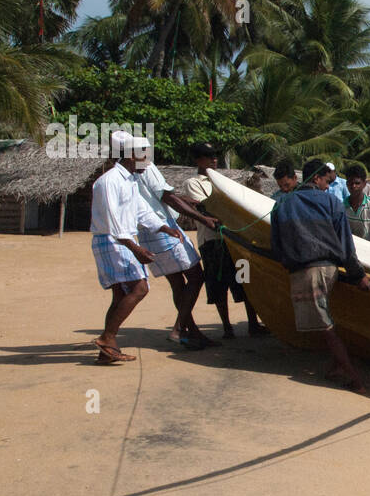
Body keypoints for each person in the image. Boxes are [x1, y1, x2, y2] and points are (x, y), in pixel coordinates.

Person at [270, 158, 370, 392]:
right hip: (330, 270)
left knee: (326, 328)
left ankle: (356, 380)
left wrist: (288, 263)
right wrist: (359, 275)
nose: (328, 186)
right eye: (326, 181)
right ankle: (336, 367)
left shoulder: (282, 204)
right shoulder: (332, 202)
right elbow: (347, 245)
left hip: (306, 271)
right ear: (316, 178)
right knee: (326, 316)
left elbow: (276, 246)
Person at [89, 146, 180, 364]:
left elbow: (141, 211)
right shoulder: (109, 181)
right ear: (131, 156)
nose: (147, 164)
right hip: (113, 240)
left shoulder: (130, 181)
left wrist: (163, 227)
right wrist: (134, 248)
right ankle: (106, 337)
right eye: (144, 159)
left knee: (121, 295)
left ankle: (106, 351)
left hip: (123, 240)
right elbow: (113, 220)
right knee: (140, 288)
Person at [133, 146, 218, 349]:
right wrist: (202, 218)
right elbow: (166, 196)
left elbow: (159, 195)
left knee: (178, 284)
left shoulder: (125, 172)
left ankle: (192, 332)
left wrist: (183, 199)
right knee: (196, 276)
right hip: (163, 227)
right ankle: (179, 328)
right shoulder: (145, 166)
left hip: (146, 232)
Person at [182, 143, 268, 339]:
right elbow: (204, 207)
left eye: (215, 155)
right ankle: (227, 327)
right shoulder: (193, 183)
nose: (214, 159)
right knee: (218, 283)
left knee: (245, 280)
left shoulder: (224, 182)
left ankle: (252, 323)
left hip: (237, 241)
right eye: (208, 156)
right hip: (213, 241)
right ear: (198, 159)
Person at [343, 163, 370, 244]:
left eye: (357, 183)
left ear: (364, 184)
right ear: (347, 184)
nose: (353, 186)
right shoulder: (342, 206)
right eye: (350, 183)